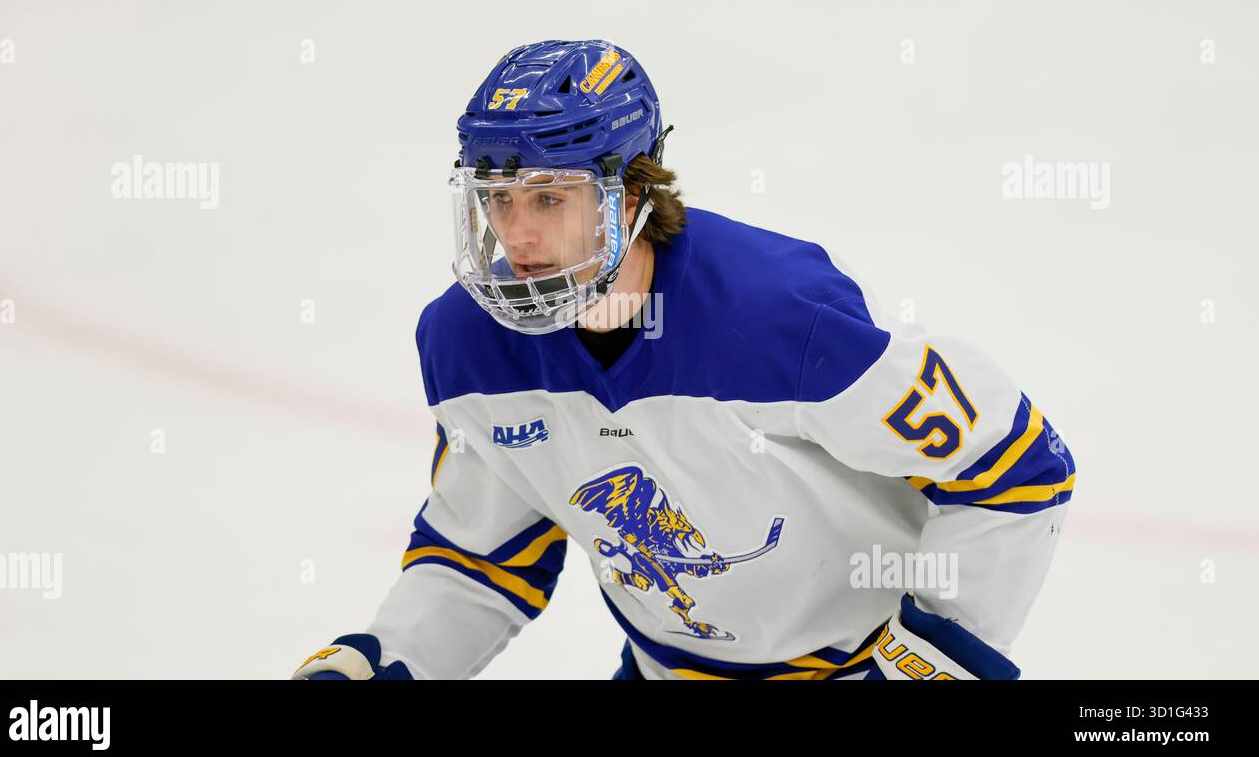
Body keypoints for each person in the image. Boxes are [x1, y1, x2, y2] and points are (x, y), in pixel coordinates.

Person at [292, 39, 1077, 681]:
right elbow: (481, 554)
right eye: (498, 199)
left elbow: (1014, 464)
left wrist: (929, 664)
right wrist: (384, 661)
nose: (517, 234)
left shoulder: (777, 315)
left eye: (547, 198)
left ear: (630, 194)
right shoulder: (467, 343)